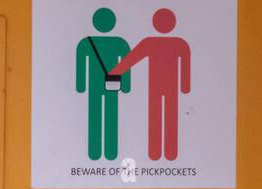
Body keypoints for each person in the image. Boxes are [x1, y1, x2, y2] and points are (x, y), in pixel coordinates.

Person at [108, 8, 192, 161]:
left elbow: (131, 59)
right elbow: (185, 66)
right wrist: (184, 87)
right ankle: (170, 152)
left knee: (156, 115)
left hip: (155, 86)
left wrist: (114, 72)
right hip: (170, 86)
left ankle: (155, 153)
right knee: (169, 115)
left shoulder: (150, 42)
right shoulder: (180, 44)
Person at [76, 7, 131, 162]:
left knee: (94, 115)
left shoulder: (86, 43)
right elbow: (126, 65)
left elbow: (81, 65)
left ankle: (94, 152)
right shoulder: (120, 43)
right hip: (112, 86)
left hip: (94, 85)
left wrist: (81, 86)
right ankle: (111, 152)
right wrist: (126, 86)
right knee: (111, 116)